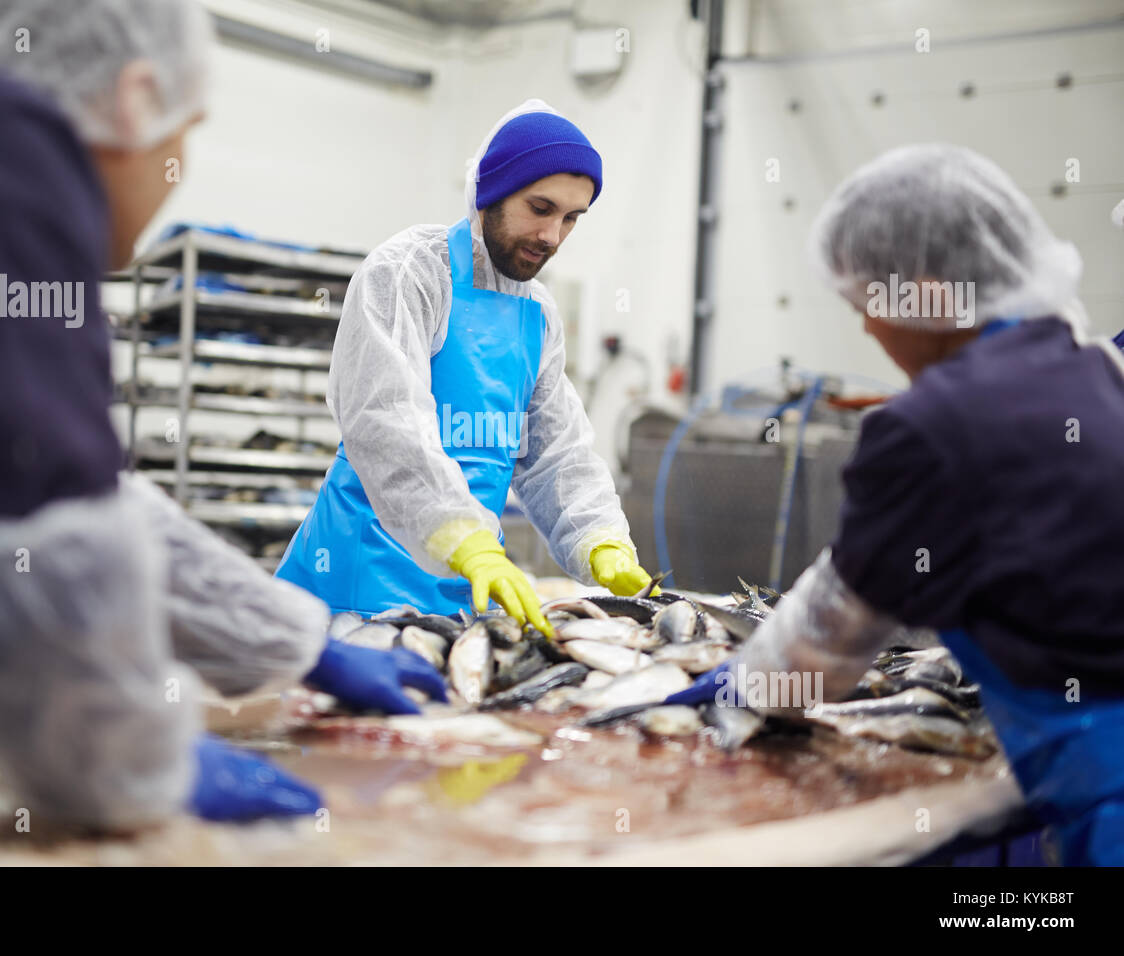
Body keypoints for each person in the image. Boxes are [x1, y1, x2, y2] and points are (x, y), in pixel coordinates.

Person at [0, 0, 443, 831]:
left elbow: (73, 497)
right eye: (188, 131)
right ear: (136, 96)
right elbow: (22, 533)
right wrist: (136, 767)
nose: (180, 162)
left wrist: (299, 646)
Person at [668, 144, 1124, 865]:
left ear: (926, 292)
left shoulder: (928, 427)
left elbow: (828, 640)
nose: (869, 331)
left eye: (866, 305)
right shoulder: (1099, 370)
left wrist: (744, 688)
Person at [276, 100, 657, 635]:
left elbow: (555, 453)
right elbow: (383, 423)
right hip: (356, 591)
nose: (553, 235)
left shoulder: (538, 313)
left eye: (572, 218)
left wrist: (601, 540)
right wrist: (467, 543)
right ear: (490, 193)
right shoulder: (409, 272)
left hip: (465, 596)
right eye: (540, 207)